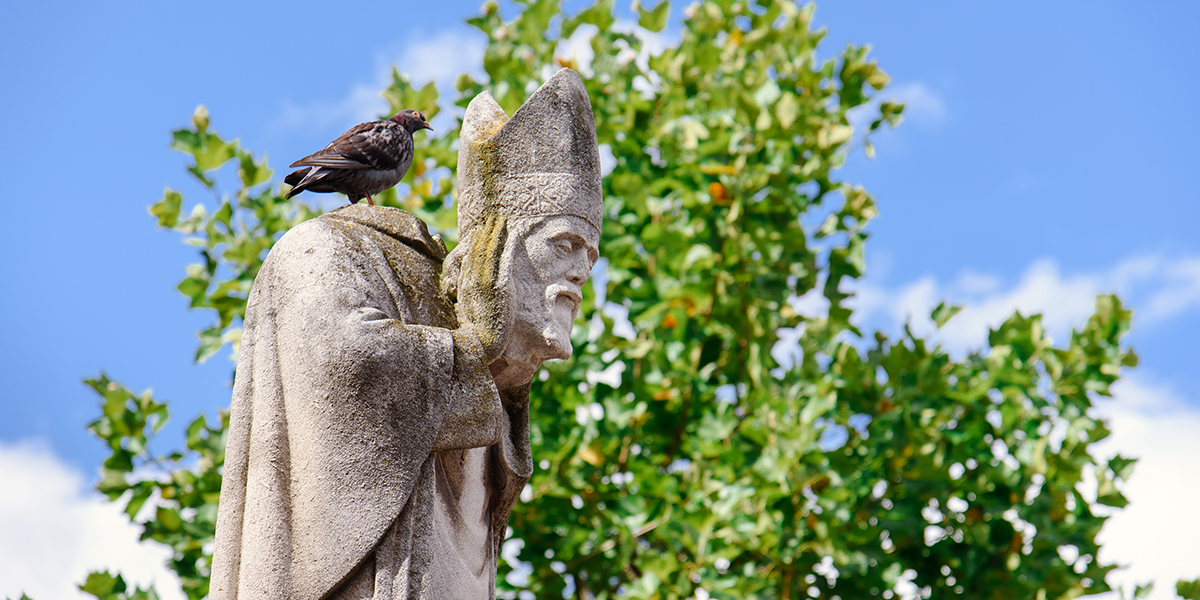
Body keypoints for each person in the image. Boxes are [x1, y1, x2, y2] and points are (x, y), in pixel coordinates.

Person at [209, 68, 602, 600]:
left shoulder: (487, 380)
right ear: (496, 251)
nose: (580, 272)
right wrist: (471, 348)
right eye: (563, 244)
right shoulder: (335, 249)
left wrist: (497, 376)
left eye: (591, 255)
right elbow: (340, 361)